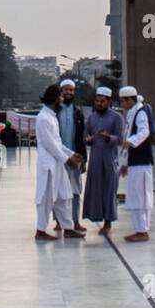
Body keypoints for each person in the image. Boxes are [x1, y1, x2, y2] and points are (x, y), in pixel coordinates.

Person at [35, 85, 84, 240]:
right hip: (48, 165)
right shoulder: (43, 118)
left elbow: (58, 143)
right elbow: (50, 145)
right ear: (56, 99)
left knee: (65, 195)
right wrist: (68, 160)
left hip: (58, 163)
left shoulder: (52, 116)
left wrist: (71, 154)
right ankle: (40, 231)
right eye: (60, 97)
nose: (62, 99)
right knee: (46, 198)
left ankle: (67, 228)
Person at [83, 86, 123, 234]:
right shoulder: (91, 118)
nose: (99, 103)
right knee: (95, 189)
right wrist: (89, 139)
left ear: (109, 101)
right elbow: (85, 137)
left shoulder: (117, 117)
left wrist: (108, 138)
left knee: (109, 190)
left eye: (102, 101)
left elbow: (120, 139)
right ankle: (96, 216)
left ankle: (108, 222)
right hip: (95, 159)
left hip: (109, 159)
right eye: (97, 101)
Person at [117, 86, 153, 241]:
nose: (122, 104)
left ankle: (142, 231)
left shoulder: (140, 112)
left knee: (140, 196)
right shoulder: (132, 113)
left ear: (129, 100)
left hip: (142, 161)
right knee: (135, 195)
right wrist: (124, 162)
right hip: (134, 161)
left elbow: (144, 132)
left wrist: (130, 142)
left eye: (122, 101)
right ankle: (140, 229)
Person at [57, 78, 87, 231]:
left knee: (75, 190)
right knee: (57, 190)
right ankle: (58, 222)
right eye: (66, 90)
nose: (69, 92)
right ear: (61, 91)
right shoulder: (55, 111)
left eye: (71, 90)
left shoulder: (77, 112)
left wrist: (84, 160)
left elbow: (81, 138)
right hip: (58, 158)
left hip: (75, 159)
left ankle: (75, 221)